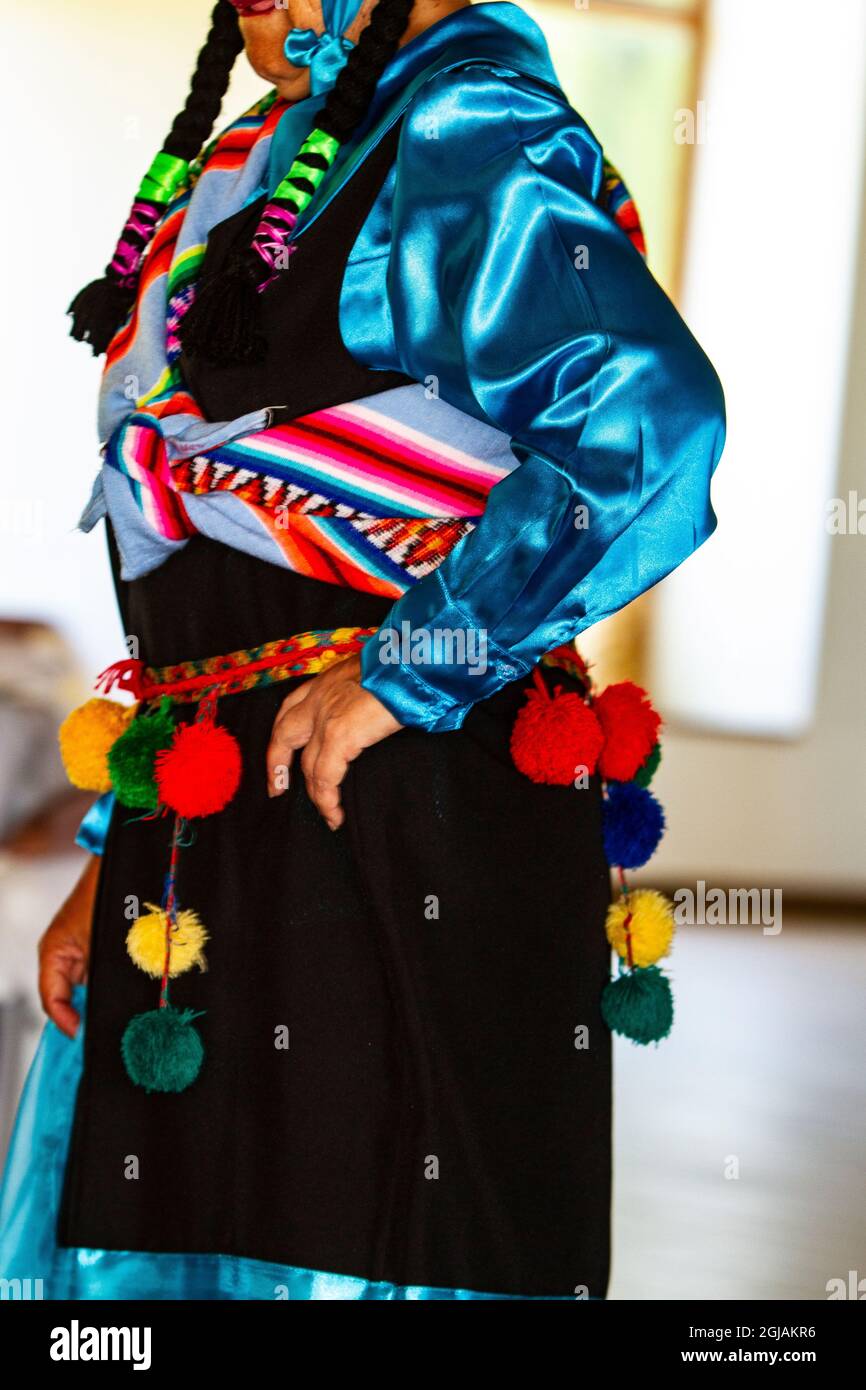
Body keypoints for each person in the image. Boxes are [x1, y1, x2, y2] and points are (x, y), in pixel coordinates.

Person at [0, 0, 724, 1300]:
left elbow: (648, 426)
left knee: (363, 1236)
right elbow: (205, 607)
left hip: (399, 804)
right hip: (217, 820)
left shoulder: (461, 122)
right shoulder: (275, 146)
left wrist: (415, 662)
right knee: (163, 1250)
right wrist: (117, 854)